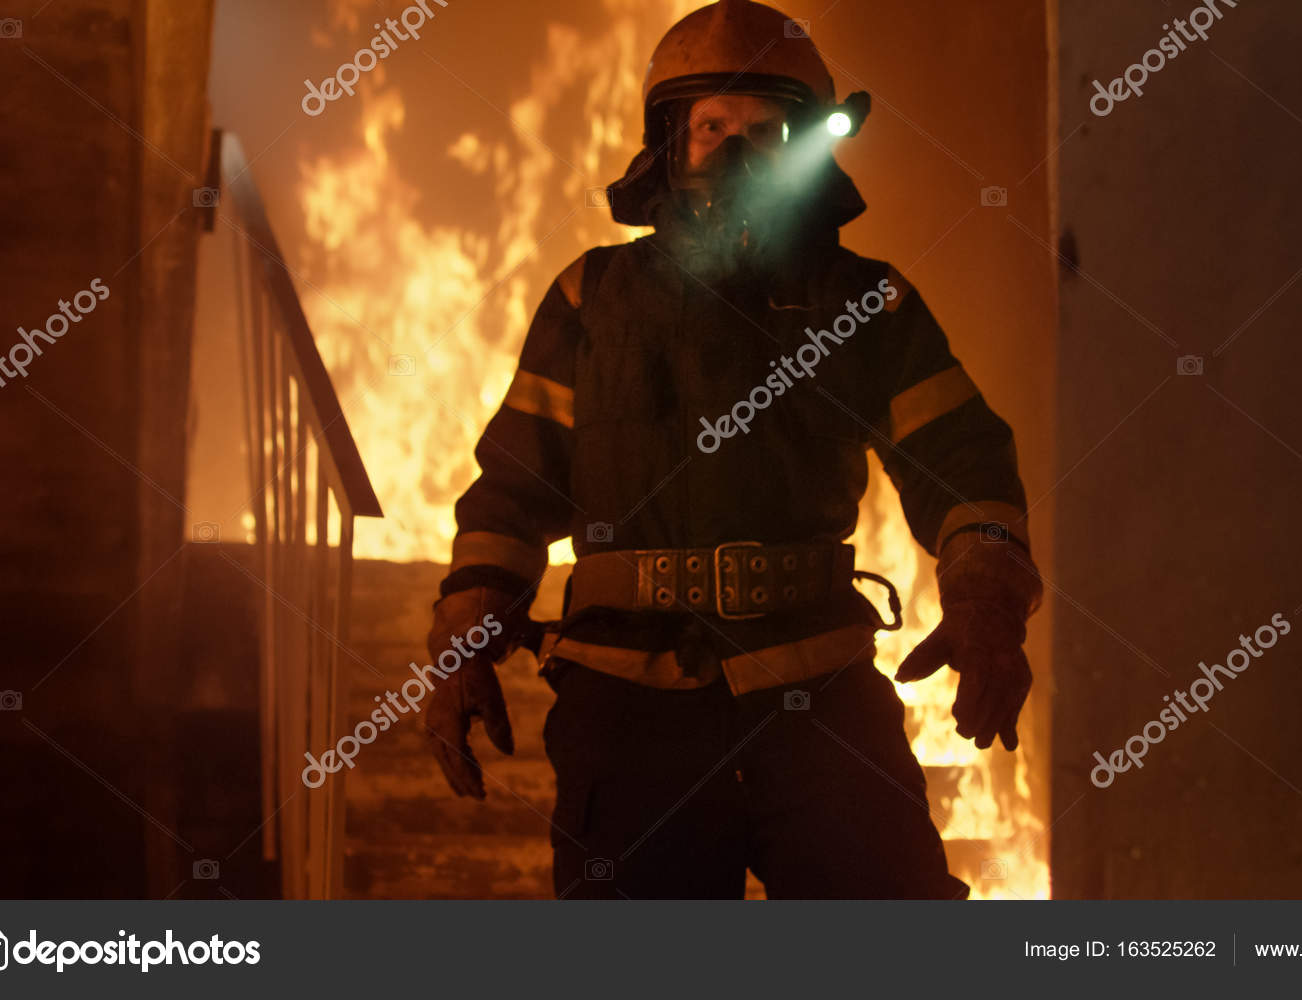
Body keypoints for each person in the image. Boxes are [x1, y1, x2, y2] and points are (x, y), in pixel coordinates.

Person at [423, 0, 1042, 899]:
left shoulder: (865, 300)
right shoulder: (590, 297)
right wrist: (465, 633)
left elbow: (963, 462)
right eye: (713, 125)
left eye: (766, 128)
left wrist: (987, 597)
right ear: (669, 141)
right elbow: (514, 488)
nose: (737, 151)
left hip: (819, 693)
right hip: (626, 705)